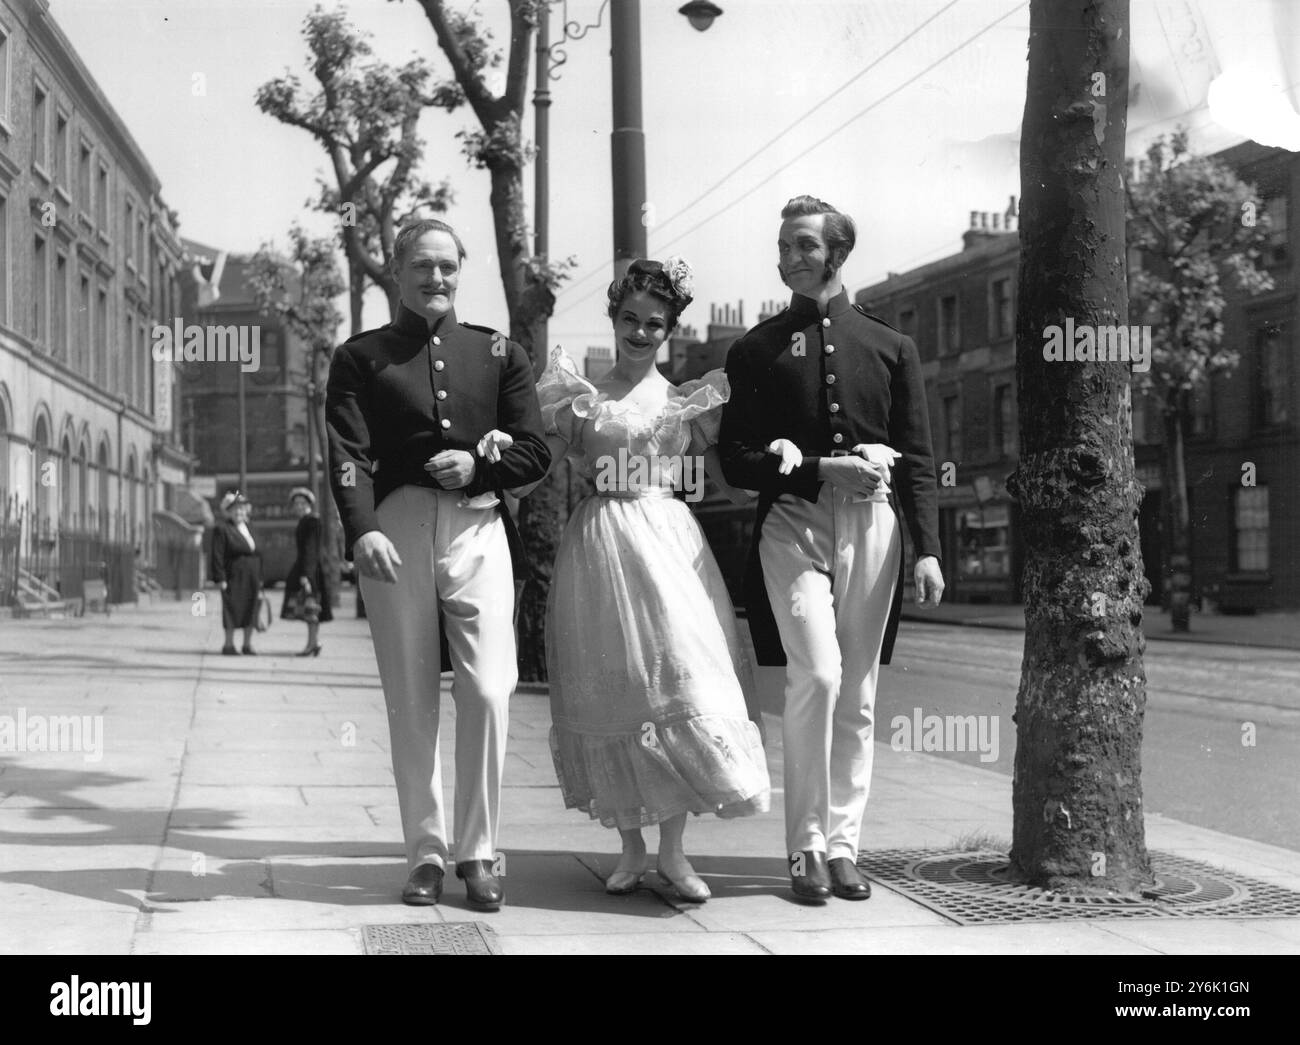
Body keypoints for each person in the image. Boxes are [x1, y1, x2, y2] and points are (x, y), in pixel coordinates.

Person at [511, 257, 770, 904]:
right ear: (614, 317)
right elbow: (533, 468)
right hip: (600, 545)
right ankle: (630, 847)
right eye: (630, 319)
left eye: (654, 323)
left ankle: (675, 851)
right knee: (619, 688)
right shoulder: (578, 395)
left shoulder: (689, 399)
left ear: (670, 329)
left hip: (670, 543)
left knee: (682, 681)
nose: (640, 332)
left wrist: (790, 459)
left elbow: (734, 471)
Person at [719, 196, 945, 904]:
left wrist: (930, 549)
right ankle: (805, 847)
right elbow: (734, 459)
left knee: (860, 693)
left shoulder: (890, 346)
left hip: (873, 527)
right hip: (793, 523)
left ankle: (843, 846)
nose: (789, 257)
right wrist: (816, 467)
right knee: (815, 675)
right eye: (784, 244)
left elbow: (919, 456)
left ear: (838, 254)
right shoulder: (753, 349)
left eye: (805, 246)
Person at [326, 217, 550, 911]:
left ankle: (477, 850)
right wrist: (361, 527)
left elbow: (534, 451)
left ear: (462, 269)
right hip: (394, 529)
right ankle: (426, 850)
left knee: (488, 687)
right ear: (395, 271)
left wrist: (479, 460)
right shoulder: (360, 358)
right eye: (421, 266)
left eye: (448, 266)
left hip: (478, 526)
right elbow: (347, 454)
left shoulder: (499, 352)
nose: (436, 278)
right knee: (412, 695)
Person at [280, 487, 333, 656]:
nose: (299, 506)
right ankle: (313, 642)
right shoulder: (307, 521)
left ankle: (312, 644)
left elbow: (310, 550)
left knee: (310, 609)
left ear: (310, 504)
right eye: (296, 504)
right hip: (310, 569)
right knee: (311, 609)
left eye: (303, 503)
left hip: (310, 571)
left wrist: (306, 575)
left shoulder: (311, 521)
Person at [210, 491, 262, 656]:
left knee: (251, 608)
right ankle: (228, 645)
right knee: (231, 610)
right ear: (228, 512)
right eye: (235, 510)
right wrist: (220, 578)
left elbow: (258, 552)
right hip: (233, 576)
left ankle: (247, 644)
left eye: (241, 509)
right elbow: (217, 555)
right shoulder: (222, 529)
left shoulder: (249, 527)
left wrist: (261, 577)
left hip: (251, 576)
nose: (239, 513)